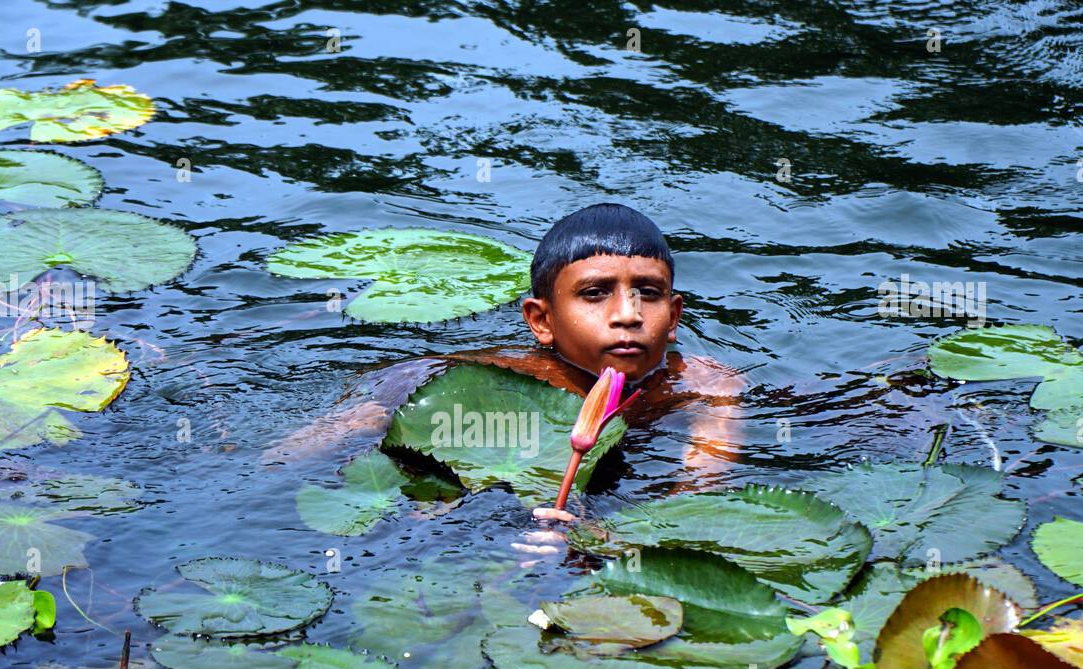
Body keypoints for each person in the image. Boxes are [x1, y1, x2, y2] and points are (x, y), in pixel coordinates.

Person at [264, 203, 744, 557]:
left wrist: (606, 537)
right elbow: (285, 461)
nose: (627, 314)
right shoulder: (487, 379)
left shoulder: (707, 386)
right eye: (595, 294)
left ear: (675, 314)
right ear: (541, 321)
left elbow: (697, 495)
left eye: (649, 293)